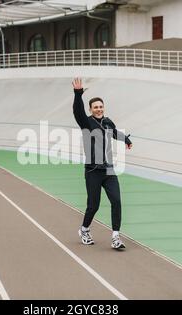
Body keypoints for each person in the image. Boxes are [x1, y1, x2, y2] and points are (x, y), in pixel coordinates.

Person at [72, 78, 132, 250]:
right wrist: (78, 94)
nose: (98, 109)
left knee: (117, 201)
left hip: (109, 170)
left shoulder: (107, 121)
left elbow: (114, 133)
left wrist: (126, 140)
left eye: (100, 106)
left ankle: (115, 237)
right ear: (90, 110)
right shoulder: (86, 122)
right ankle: (84, 229)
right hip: (93, 171)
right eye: (95, 107)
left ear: (103, 108)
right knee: (93, 205)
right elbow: (77, 111)